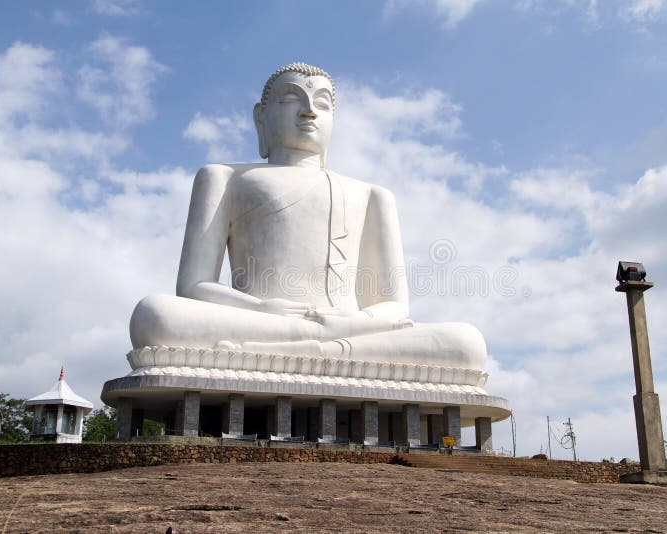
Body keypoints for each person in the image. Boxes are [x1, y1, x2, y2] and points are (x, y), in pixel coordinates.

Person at [129, 62, 485, 370]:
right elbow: (193, 287)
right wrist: (265, 309)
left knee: (466, 343)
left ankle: (295, 351)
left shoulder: (371, 194)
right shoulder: (224, 177)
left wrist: (352, 321)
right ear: (260, 117)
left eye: (322, 103)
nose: (308, 111)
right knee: (155, 316)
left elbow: (394, 307)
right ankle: (318, 348)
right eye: (290, 99)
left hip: (349, 328)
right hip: (262, 321)